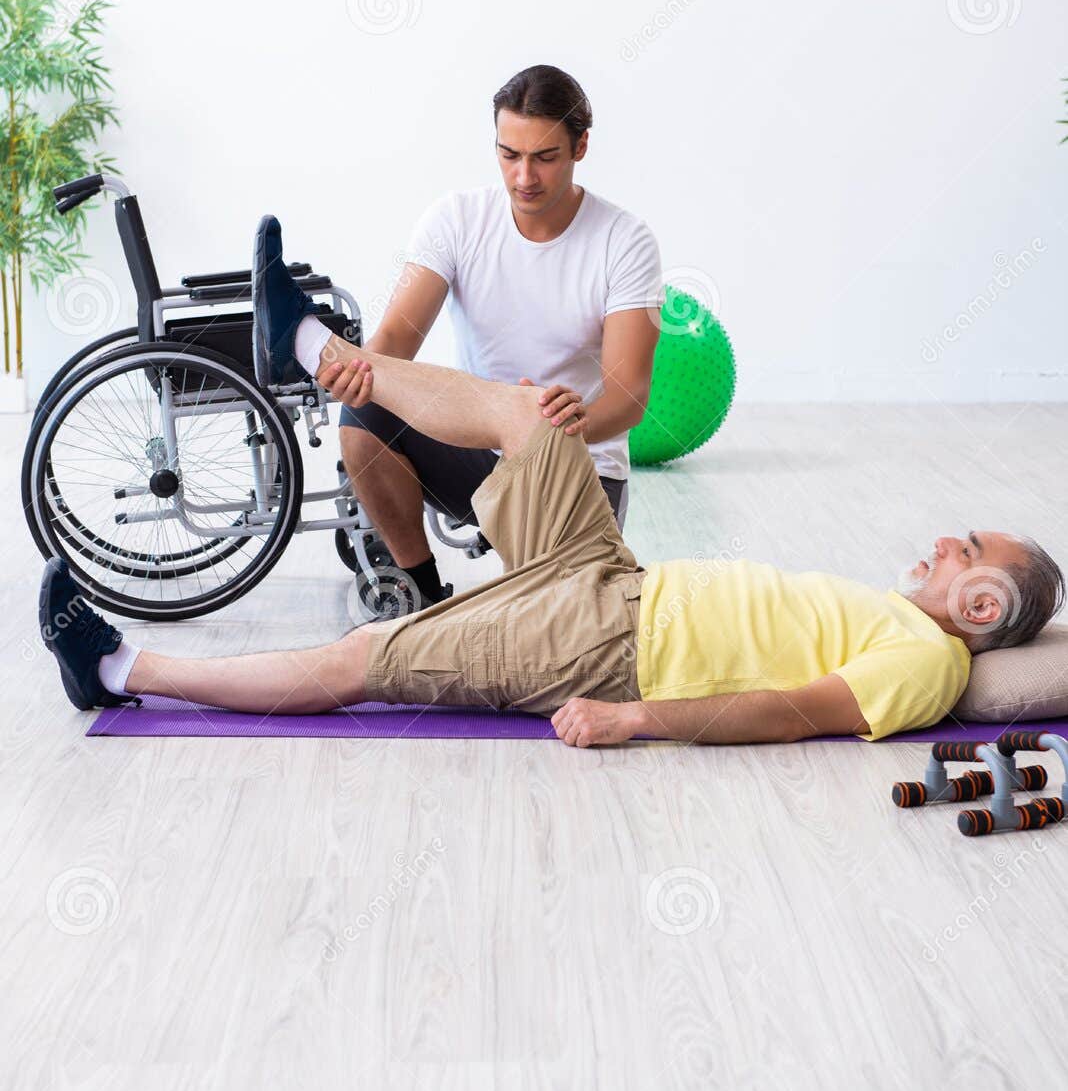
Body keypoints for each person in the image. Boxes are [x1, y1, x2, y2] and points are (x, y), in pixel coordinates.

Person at [37, 218, 1065, 749]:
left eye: (963, 553)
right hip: (619, 580)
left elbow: (797, 712)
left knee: (365, 657)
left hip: (606, 645)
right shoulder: (902, 616)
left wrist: (633, 719)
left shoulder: (925, 662)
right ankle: (305, 343)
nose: (942, 543)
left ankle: (125, 670)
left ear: (978, 605)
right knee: (526, 413)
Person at [336, 64, 663, 608]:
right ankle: (419, 589)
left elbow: (629, 394)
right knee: (366, 411)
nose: (524, 178)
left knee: (554, 638)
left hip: (574, 467)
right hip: (476, 451)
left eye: (545, 157)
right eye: (509, 155)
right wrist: (361, 371)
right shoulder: (457, 218)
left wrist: (573, 423)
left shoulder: (625, 240)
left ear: (581, 146)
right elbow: (397, 334)